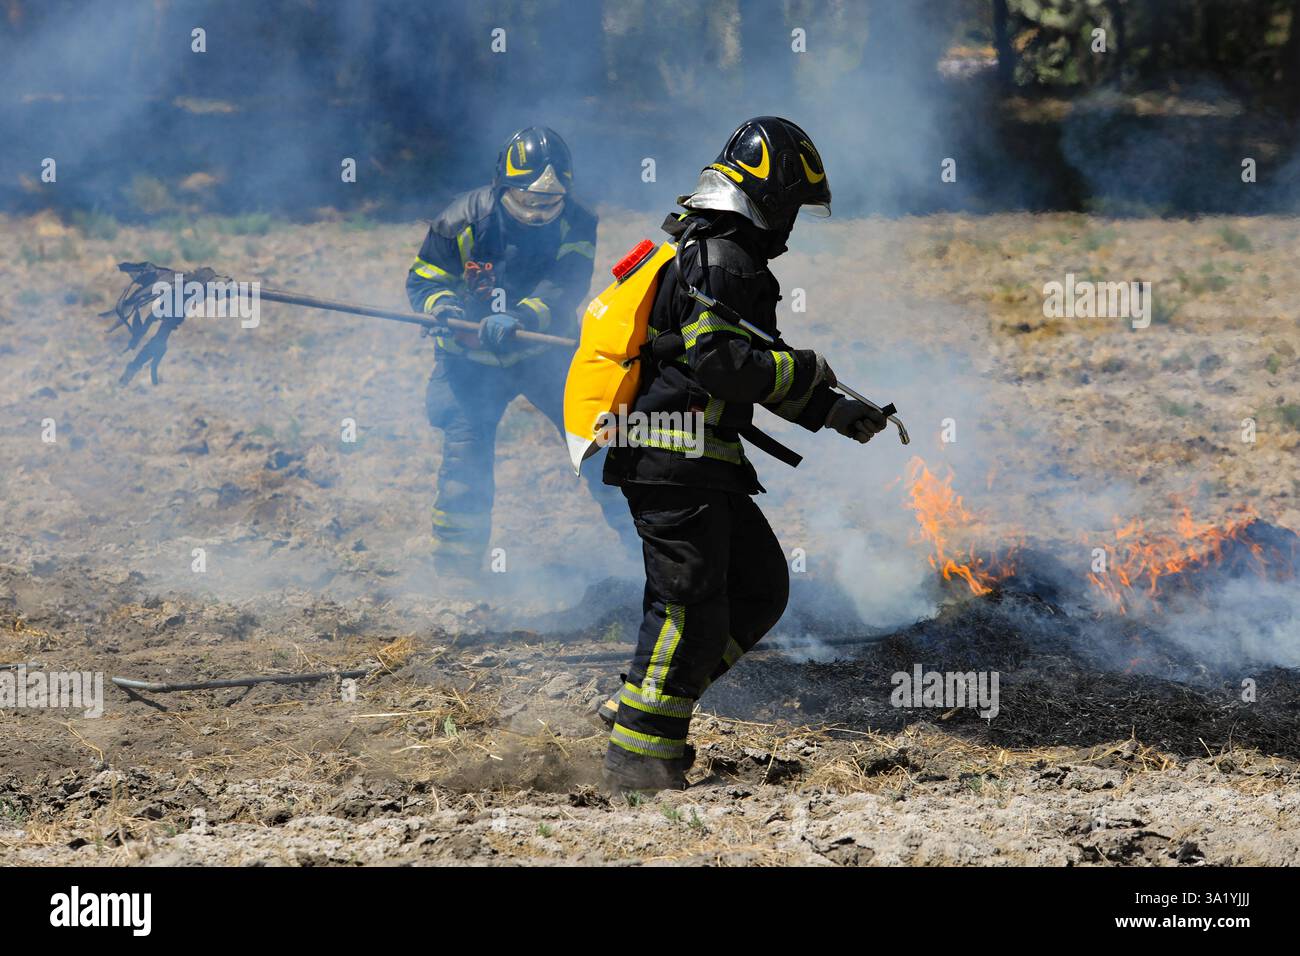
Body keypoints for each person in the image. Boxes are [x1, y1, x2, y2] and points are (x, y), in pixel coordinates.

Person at [598, 116, 888, 794]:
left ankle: (640, 702)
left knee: (758, 590)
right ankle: (638, 762)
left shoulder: (725, 254)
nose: (790, 224)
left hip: (703, 458)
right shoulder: (723, 255)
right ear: (768, 196)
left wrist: (830, 407)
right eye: (790, 206)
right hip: (671, 455)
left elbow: (751, 364)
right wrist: (810, 371)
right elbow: (728, 366)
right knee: (689, 611)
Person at [406, 126, 633, 575]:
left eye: (548, 203)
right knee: (465, 466)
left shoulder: (578, 222)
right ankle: (458, 574)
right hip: (468, 365)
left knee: (600, 446)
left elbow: (566, 283)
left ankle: (649, 553)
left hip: (544, 358)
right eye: (526, 200)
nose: (535, 212)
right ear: (502, 186)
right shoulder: (459, 220)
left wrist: (523, 317)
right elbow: (424, 279)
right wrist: (446, 308)